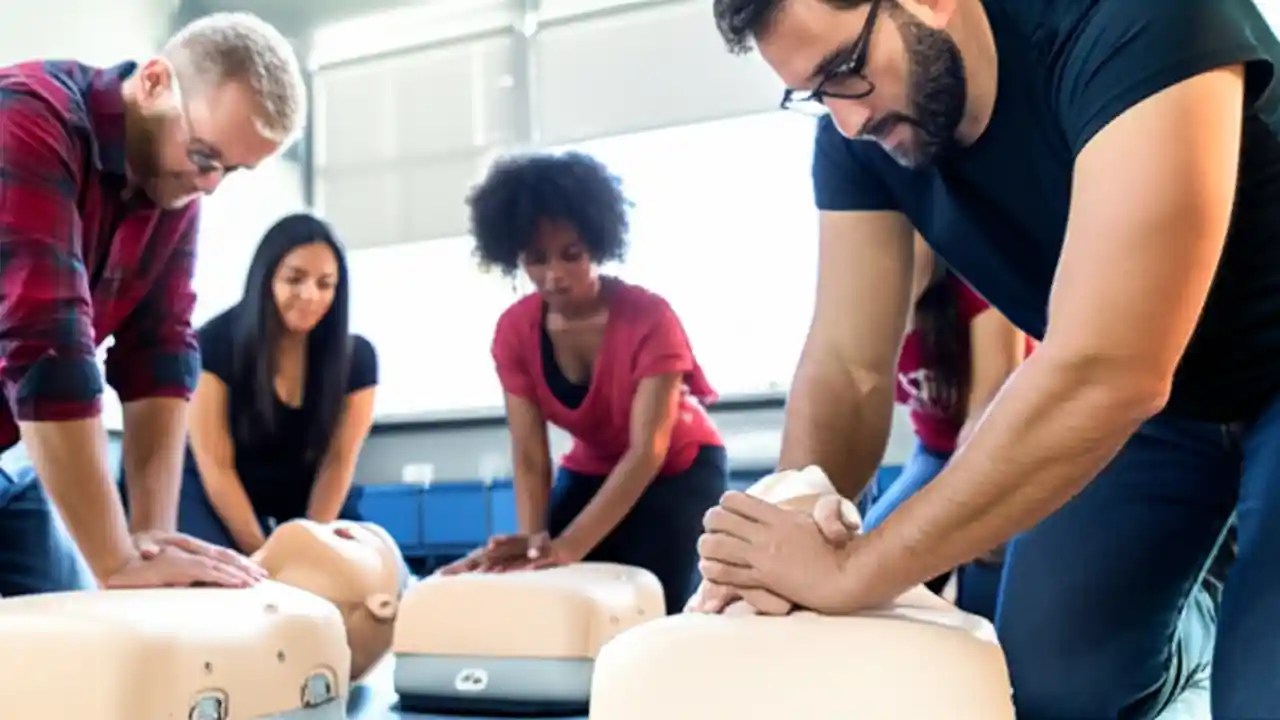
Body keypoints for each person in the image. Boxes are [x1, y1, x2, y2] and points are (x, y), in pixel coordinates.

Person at [694, 0, 1270, 718]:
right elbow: (847, 363)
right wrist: (781, 533)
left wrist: (854, 570)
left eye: (846, 69)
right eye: (815, 93)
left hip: (1174, 369)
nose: (846, 119)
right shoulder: (862, 134)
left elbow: (1111, 367)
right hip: (1168, 410)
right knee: (1054, 688)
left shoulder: (1128, 18)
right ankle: (1202, 633)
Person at [0, 12, 306, 595]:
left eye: (231, 171)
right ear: (154, 82)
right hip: (24, 419)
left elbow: (159, 354)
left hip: (13, 455)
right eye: (205, 156)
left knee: (75, 632)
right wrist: (118, 563)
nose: (210, 185)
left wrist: (152, 540)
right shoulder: (24, 118)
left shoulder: (172, 187)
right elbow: (46, 346)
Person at [439, 151, 728, 614]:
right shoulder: (514, 330)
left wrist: (570, 545)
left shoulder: (650, 317)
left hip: (678, 466)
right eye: (536, 259)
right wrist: (537, 543)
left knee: (658, 601)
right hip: (592, 467)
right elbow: (529, 454)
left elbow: (647, 451)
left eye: (571, 255)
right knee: (551, 586)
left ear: (596, 244)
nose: (554, 275)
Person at [174, 213, 378, 554]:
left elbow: (337, 462)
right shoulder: (213, 344)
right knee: (221, 573)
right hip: (213, 492)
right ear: (266, 279)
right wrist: (266, 559)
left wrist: (310, 548)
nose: (309, 295)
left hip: (301, 493)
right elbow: (216, 467)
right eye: (294, 279)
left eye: (325, 284)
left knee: (353, 565)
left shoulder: (357, 359)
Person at [860, 235, 1027, 620]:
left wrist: (971, 505)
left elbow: (990, 407)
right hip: (934, 451)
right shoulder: (865, 312)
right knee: (872, 554)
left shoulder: (977, 287)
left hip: (1002, 447)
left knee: (988, 574)